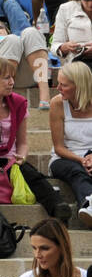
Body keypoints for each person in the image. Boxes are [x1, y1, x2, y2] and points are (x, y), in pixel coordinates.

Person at [0, 56, 69, 219]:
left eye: (12, 77)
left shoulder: (18, 103)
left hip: (7, 159)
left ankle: (58, 208)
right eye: (7, 78)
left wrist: (22, 156)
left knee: (31, 174)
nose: (12, 82)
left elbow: (23, 143)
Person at [49, 62, 92, 226]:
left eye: (64, 85)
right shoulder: (57, 103)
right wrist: (82, 160)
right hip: (65, 158)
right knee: (79, 171)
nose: (58, 88)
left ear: (79, 86)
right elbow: (59, 147)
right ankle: (89, 205)